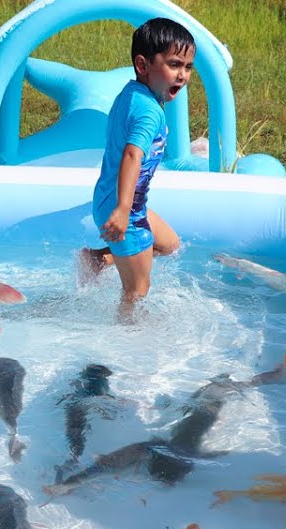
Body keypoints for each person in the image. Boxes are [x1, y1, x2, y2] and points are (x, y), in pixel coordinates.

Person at [81, 18, 193, 320]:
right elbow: (132, 154)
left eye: (188, 67)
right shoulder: (148, 111)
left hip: (120, 201)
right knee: (137, 291)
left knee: (169, 245)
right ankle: (126, 337)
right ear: (143, 65)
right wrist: (122, 210)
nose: (182, 75)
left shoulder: (133, 95)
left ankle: (98, 259)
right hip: (125, 209)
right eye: (174, 64)